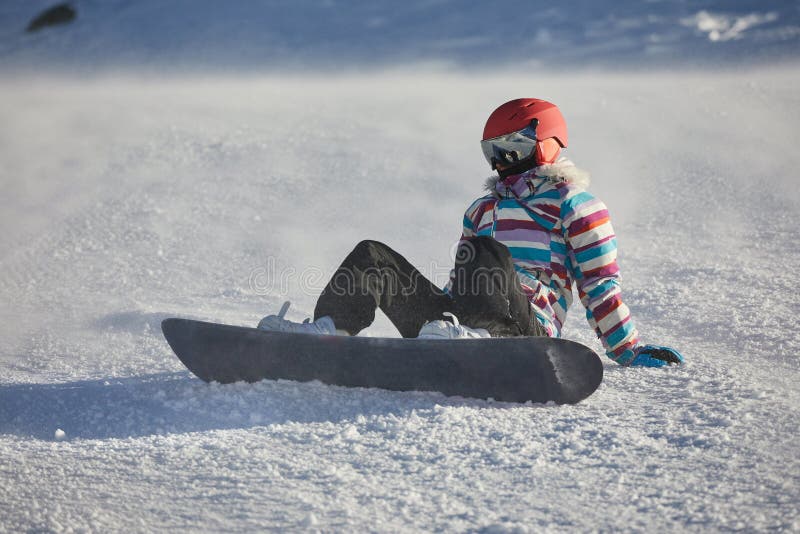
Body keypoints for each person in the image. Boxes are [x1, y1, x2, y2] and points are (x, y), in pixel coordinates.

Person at [258, 98, 684, 367]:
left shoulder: (575, 204)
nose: (500, 162)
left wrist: (626, 349)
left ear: (546, 142)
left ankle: (477, 338)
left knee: (485, 251)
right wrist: (438, 313)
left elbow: (599, 284)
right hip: (454, 326)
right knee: (372, 256)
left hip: (523, 332)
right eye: (492, 152)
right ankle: (329, 334)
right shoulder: (482, 209)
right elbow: (464, 276)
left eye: (511, 148)